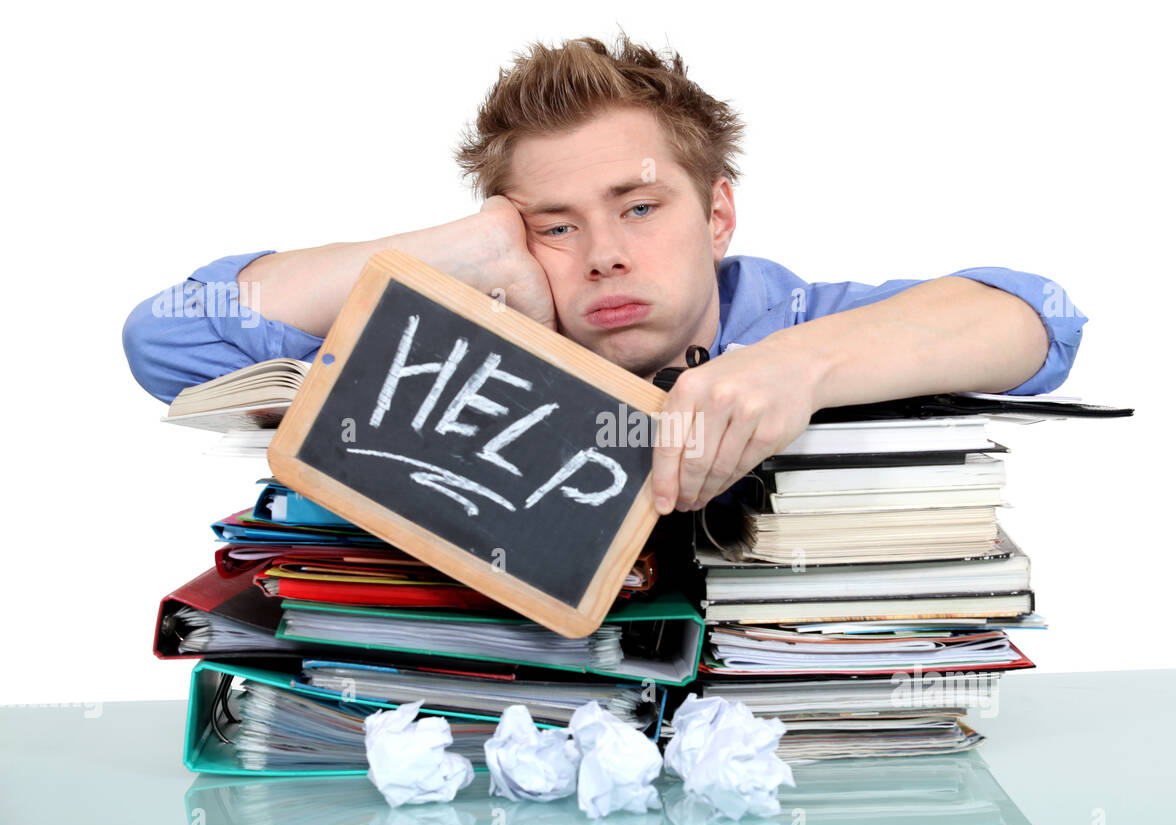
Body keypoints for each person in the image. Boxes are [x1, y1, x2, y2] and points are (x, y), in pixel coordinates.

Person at [122, 33, 1086, 516]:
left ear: (717, 214)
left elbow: (1040, 321)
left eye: (639, 205)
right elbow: (167, 340)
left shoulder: (790, 319)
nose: (605, 255)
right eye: (555, 225)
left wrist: (804, 368)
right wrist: (461, 254)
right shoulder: (460, 332)